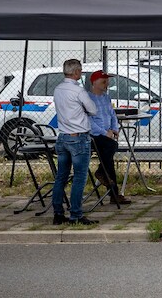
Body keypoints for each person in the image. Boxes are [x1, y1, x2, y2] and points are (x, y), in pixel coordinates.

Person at [51, 59, 99, 225]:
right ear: (77, 72)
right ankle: (76, 214)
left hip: (63, 136)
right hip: (78, 137)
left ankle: (58, 213)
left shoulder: (58, 89)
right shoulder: (78, 91)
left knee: (61, 177)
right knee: (79, 177)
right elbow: (93, 109)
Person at [88, 70, 131, 205]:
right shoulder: (88, 99)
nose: (107, 84)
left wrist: (115, 128)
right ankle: (109, 184)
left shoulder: (106, 98)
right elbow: (89, 120)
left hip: (107, 134)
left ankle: (112, 190)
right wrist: (103, 132)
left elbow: (112, 115)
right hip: (95, 135)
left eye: (107, 81)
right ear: (94, 82)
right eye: (103, 81)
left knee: (108, 160)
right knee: (111, 147)